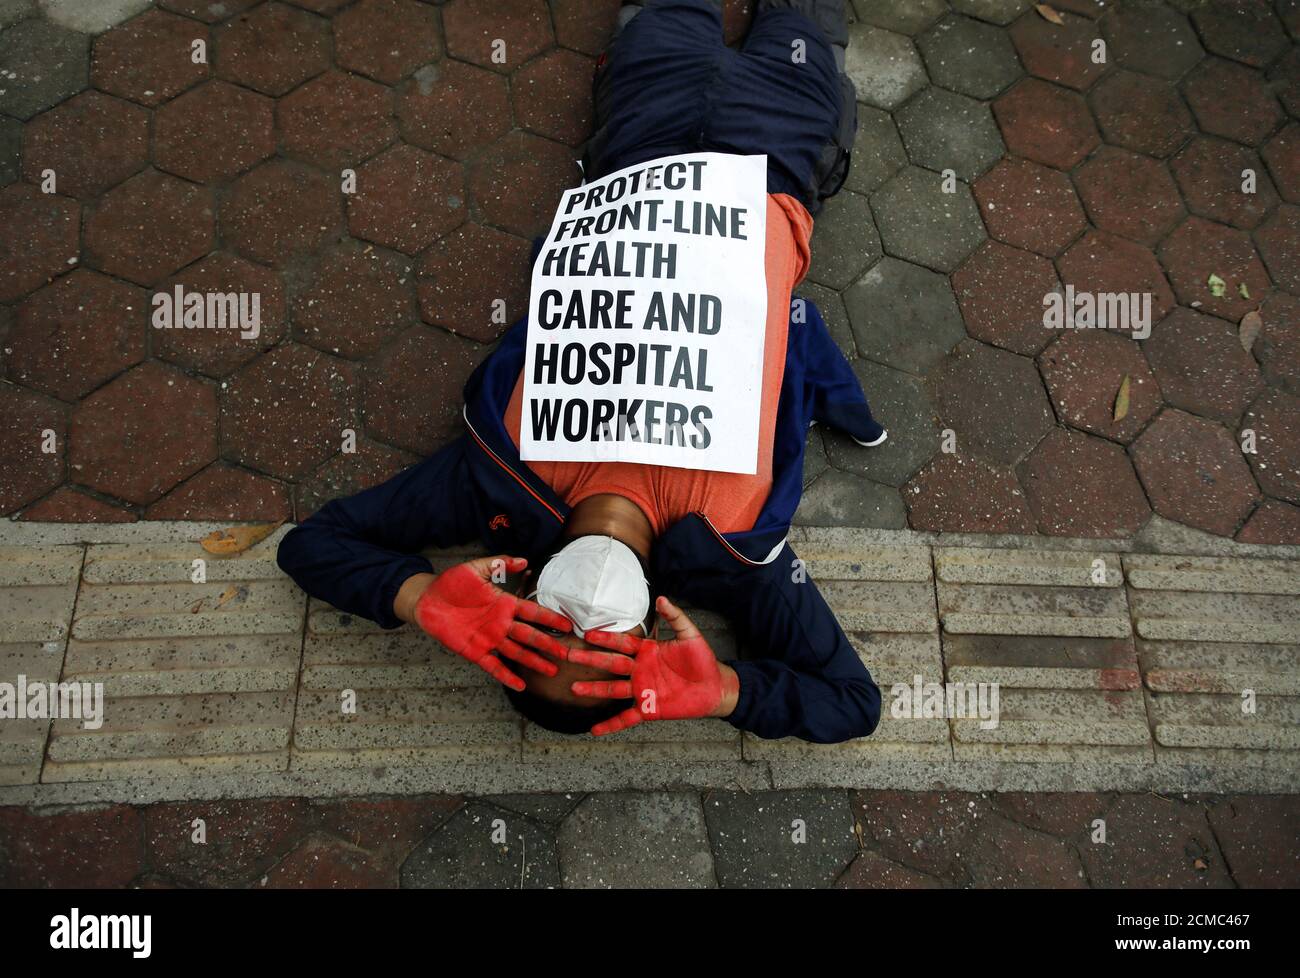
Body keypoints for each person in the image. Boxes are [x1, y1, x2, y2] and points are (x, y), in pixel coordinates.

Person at [277, 0, 887, 744]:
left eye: (548, 631)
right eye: (602, 646)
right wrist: (725, 690)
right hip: (783, 150)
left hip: (641, 134)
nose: (586, 611)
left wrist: (420, 597)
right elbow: (852, 703)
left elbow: (312, 546)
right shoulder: (733, 552)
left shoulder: (491, 483)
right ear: (651, 647)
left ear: (521, 595)